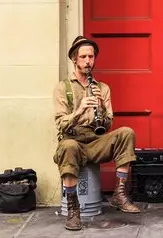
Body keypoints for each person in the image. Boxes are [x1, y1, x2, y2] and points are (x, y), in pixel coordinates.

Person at [53, 36, 141, 231]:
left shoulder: (102, 88)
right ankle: (74, 208)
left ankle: (119, 193)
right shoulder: (63, 87)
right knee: (68, 146)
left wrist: (100, 108)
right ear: (74, 59)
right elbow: (60, 124)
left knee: (126, 133)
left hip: (96, 140)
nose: (87, 61)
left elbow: (108, 125)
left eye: (91, 57)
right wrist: (79, 111)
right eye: (83, 57)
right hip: (73, 139)